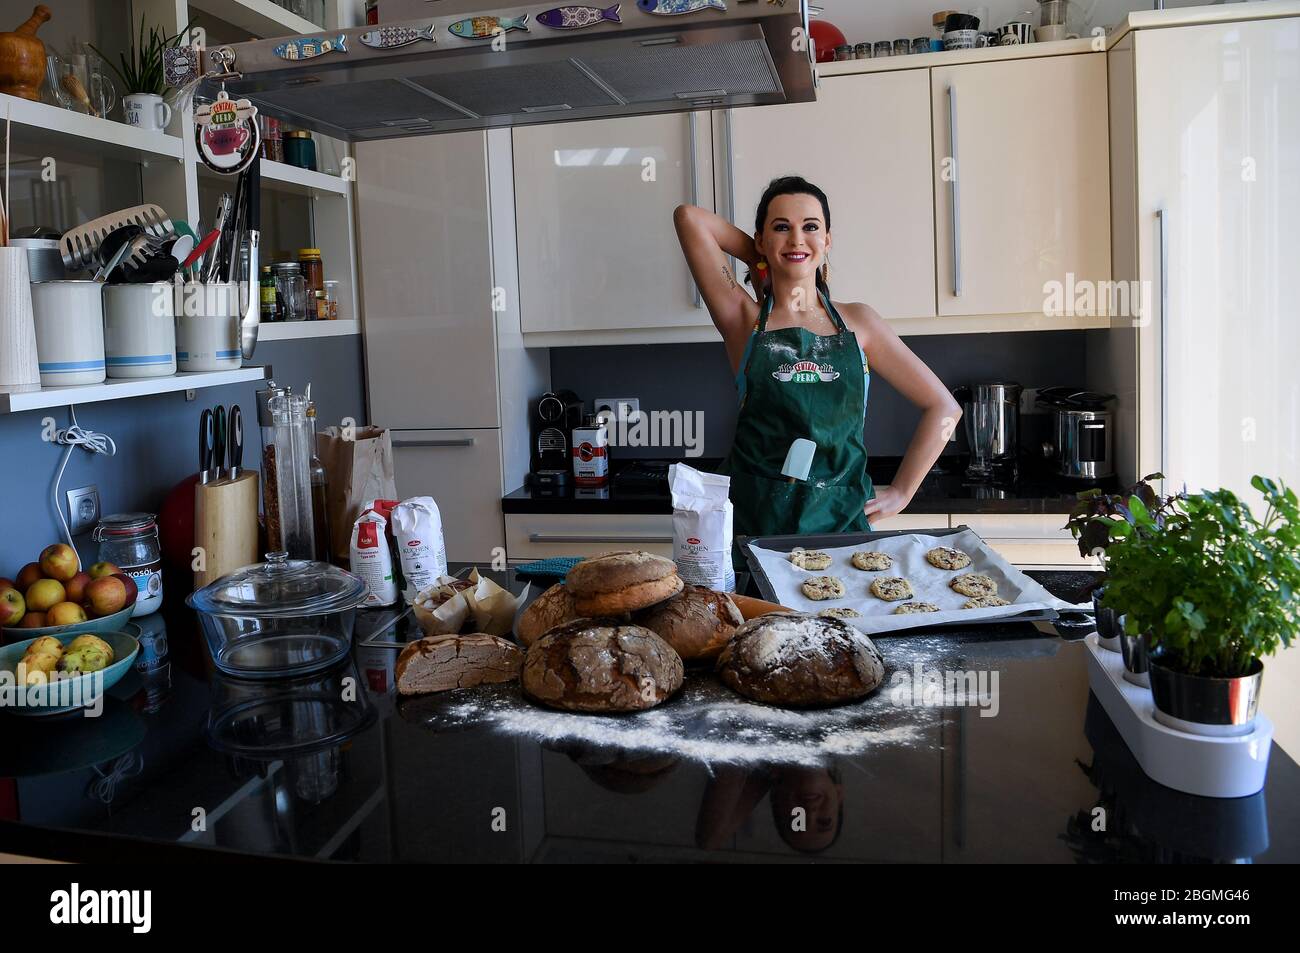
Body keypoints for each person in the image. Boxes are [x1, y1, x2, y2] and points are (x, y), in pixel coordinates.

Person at [673, 175, 960, 539]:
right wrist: (761, 258)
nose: (796, 238)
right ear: (761, 238)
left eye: (810, 227)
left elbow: (945, 408)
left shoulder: (860, 323)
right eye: (781, 228)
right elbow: (689, 218)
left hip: (839, 523)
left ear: (827, 240)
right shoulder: (742, 320)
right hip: (754, 524)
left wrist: (902, 492)